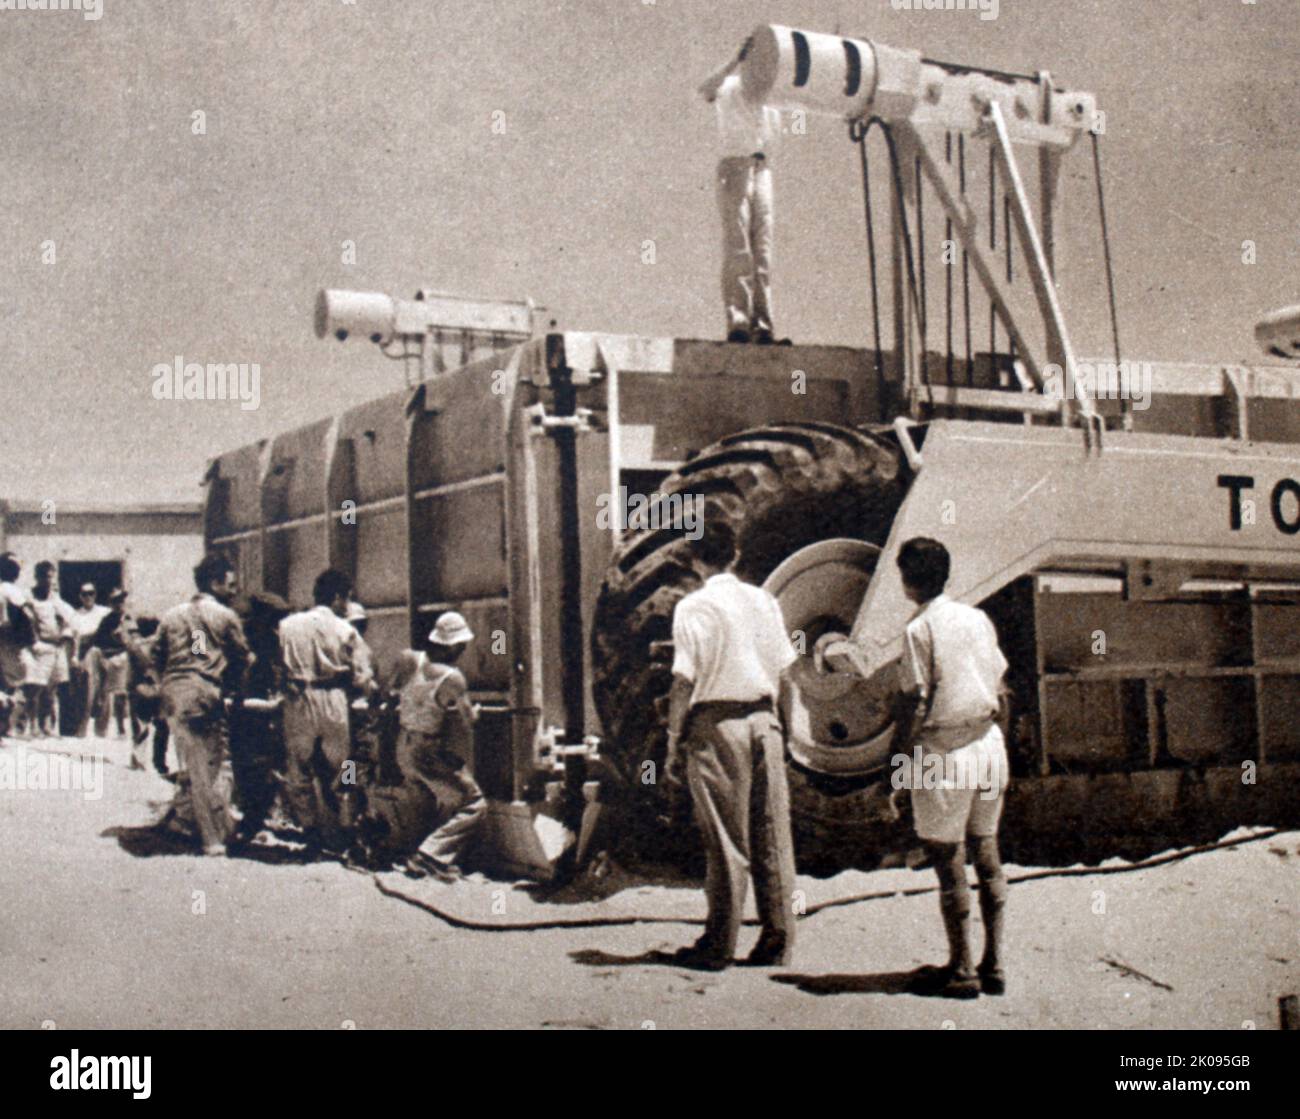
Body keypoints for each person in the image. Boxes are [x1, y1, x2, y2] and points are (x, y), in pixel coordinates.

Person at [662, 520, 799, 970]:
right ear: (735, 555)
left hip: (717, 724)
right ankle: (777, 941)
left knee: (725, 840)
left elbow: (683, 681)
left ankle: (719, 944)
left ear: (694, 560)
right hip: (765, 720)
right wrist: (786, 729)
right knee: (773, 836)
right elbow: (787, 673)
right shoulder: (764, 601)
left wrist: (672, 740)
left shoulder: (693, 607)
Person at [892, 537, 1010, 1000]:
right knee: (988, 854)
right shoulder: (976, 618)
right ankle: (994, 964)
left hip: (944, 754)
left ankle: (962, 971)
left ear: (906, 580)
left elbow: (914, 702)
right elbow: (1001, 691)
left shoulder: (918, 630)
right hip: (987, 745)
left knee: (948, 862)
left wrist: (899, 762)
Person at [153, 553, 251, 855]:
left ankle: (188, 821)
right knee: (215, 767)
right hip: (204, 695)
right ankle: (213, 837)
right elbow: (243, 657)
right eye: (230, 584)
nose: (234, 590)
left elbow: (157, 654)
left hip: (174, 695)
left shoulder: (171, 615)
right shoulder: (223, 616)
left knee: (193, 764)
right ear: (215, 583)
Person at [277, 569, 373, 857]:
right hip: (333, 698)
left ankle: (311, 833)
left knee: (298, 767)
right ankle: (347, 829)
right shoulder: (346, 630)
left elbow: (277, 665)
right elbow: (362, 675)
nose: (346, 606)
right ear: (336, 598)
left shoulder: (287, 625)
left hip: (297, 699)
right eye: (346, 600)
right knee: (345, 765)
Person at [698, 36, 784, 345]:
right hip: (734, 165)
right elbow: (705, 89)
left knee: (762, 248)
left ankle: (763, 324)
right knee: (739, 246)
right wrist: (736, 59)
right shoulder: (730, 86)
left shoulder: (772, 99)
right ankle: (739, 320)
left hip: (762, 169)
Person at [388, 611, 485, 882]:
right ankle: (429, 856)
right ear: (453, 645)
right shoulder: (453, 678)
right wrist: (473, 709)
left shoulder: (408, 659)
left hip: (403, 746)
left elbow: (390, 690)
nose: (463, 651)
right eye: (462, 646)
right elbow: (470, 721)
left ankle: (415, 854)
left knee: (426, 802)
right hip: (426, 751)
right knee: (473, 802)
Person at [228, 590, 291, 846]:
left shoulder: (269, 641)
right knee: (253, 768)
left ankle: (257, 818)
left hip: (262, 713)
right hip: (252, 714)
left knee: (263, 768)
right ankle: (253, 820)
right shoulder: (250, 645)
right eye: (275, 619)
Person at [24, 561, 74, 737]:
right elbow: (28, 623)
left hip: (57, 647)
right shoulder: (29, 597)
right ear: (37, 577)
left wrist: (65, 635)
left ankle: (47, 725)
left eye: (51, 577)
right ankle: (32, 726)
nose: (48, 580)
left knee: (52, 689)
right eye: (45, 576)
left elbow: (68, 620)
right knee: (36, 688)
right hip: (41, 646)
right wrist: (35, 642)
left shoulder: (55, 598)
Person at [125, 616, 169, 774]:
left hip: (140, 687)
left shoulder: (134, 645)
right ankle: (159, 762)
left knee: (141, 724)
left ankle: (138, 758)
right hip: (160, 687)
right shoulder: (161, 645)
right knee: (162, 726)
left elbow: (131, 671)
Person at [65, 583, 108, 737]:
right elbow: (74, 639)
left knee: (104, 692)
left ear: (95, 595)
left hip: (103, 652)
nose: (88, 597)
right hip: (85, 654)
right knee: (86, 691)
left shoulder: (105, 612)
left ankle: (102, 730)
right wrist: (74, 657)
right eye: (84, 594)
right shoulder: (75, 615)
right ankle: (82, 728)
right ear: (80, 596)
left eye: (91, 593)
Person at [89, 588, 133, 737]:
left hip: (122, 658)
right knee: (102, 694)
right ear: (111, 604)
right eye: (116, 601)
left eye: (121, 601)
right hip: (107, 658)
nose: (119, 604)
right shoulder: (107, 620)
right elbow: (98, 640)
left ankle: (121, 728)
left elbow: (134, 639)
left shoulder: (128, 619)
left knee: (121, 695)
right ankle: (100, 729)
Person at [0, 552, 35, 736]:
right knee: (20, 684)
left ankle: (4, 727)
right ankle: (12, 727)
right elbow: (27, 616)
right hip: (9, 643)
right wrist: (30, 640)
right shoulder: (12, 591)